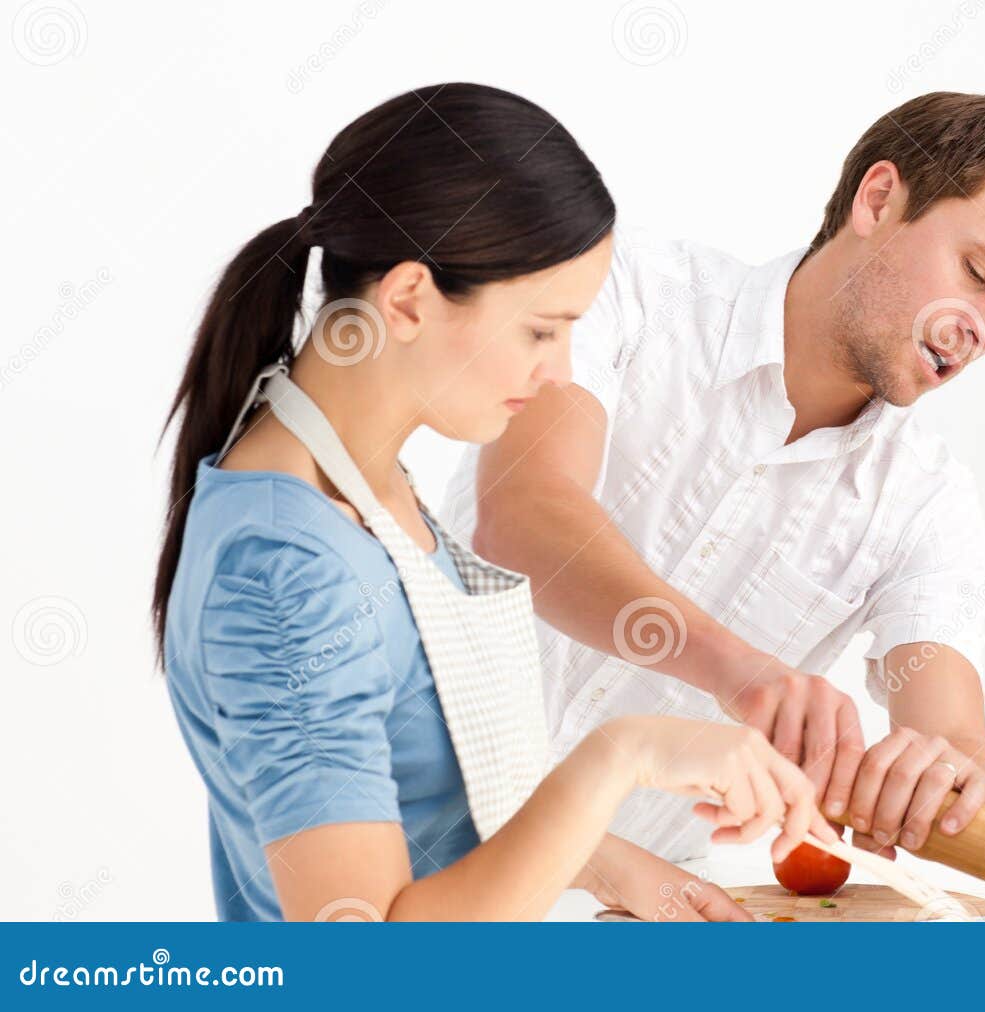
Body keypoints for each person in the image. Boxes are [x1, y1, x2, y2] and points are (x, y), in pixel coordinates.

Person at [154, 83, 830, 922]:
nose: (558, 371)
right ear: (406, 300)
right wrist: (626, 753)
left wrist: (621, 870)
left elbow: (438, 812)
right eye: (542, 330)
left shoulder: (368, 486)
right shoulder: (285, 567)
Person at [445, 91, 985, 861]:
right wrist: (744, 674)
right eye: (977, 273)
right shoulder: (626, 293)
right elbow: (522, 515)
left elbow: (951, 736)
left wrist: (946, 773)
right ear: (879, 198)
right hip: (386, 856)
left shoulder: (927, 502)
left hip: (624, 916)